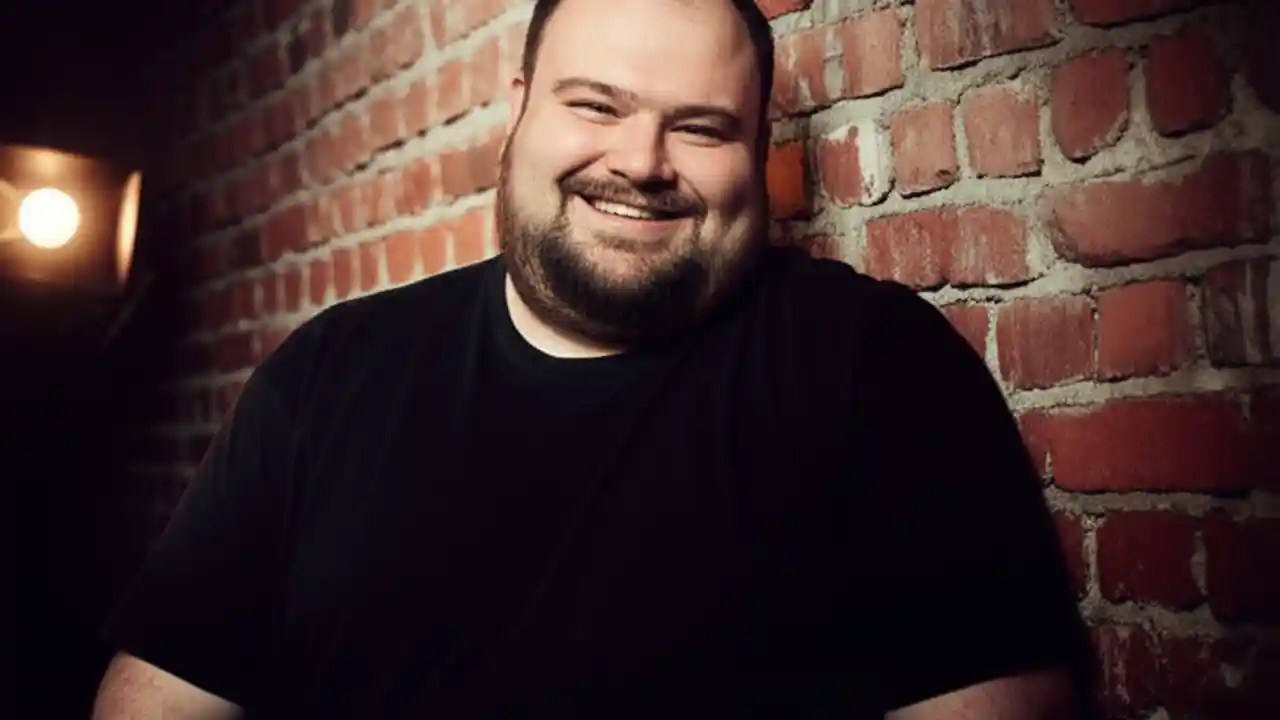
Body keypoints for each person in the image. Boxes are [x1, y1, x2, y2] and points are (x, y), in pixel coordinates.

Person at [93, 0, 1096, 717]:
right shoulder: (327, 374)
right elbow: (161, 691)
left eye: (699, 128)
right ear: (520, 105)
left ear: (755, 154)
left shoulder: (875, 371)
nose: (640, 161)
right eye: (595, 105)